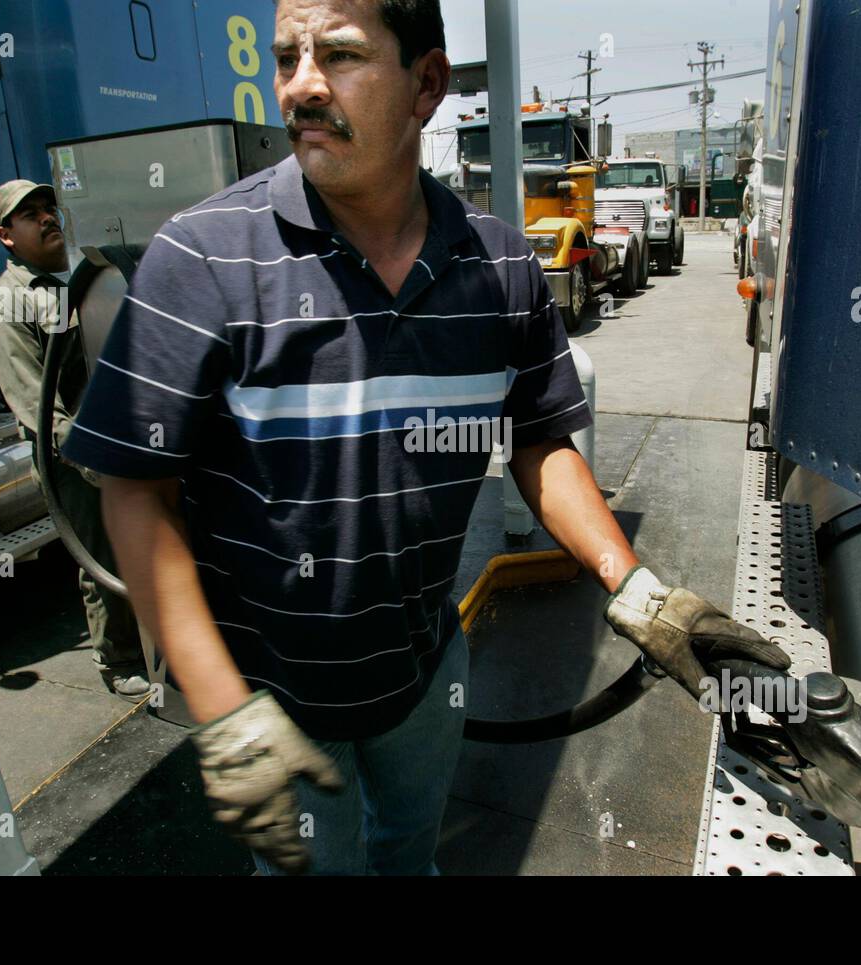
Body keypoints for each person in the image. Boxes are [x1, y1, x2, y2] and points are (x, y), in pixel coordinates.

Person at [61, 0, 787, 875]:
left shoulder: (501, 268)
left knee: (412, 856)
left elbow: (540, 441)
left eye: (339, 55)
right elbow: (134, 486)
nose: (301, 86)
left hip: (424, 672)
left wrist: (635, 589)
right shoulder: (203, 258)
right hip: (274, 695)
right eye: (287, 57)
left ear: (428, 86)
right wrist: (222, 706)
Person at [0, 179, 150, 700]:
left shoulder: (75, 280)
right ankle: (117, 659)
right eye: (30, 215)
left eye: (49, 207)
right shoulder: (7, 306)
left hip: (113, 440)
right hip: (70, 455)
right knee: (103, 557)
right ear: (7, 236)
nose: (48, 217)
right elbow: (37, 406)